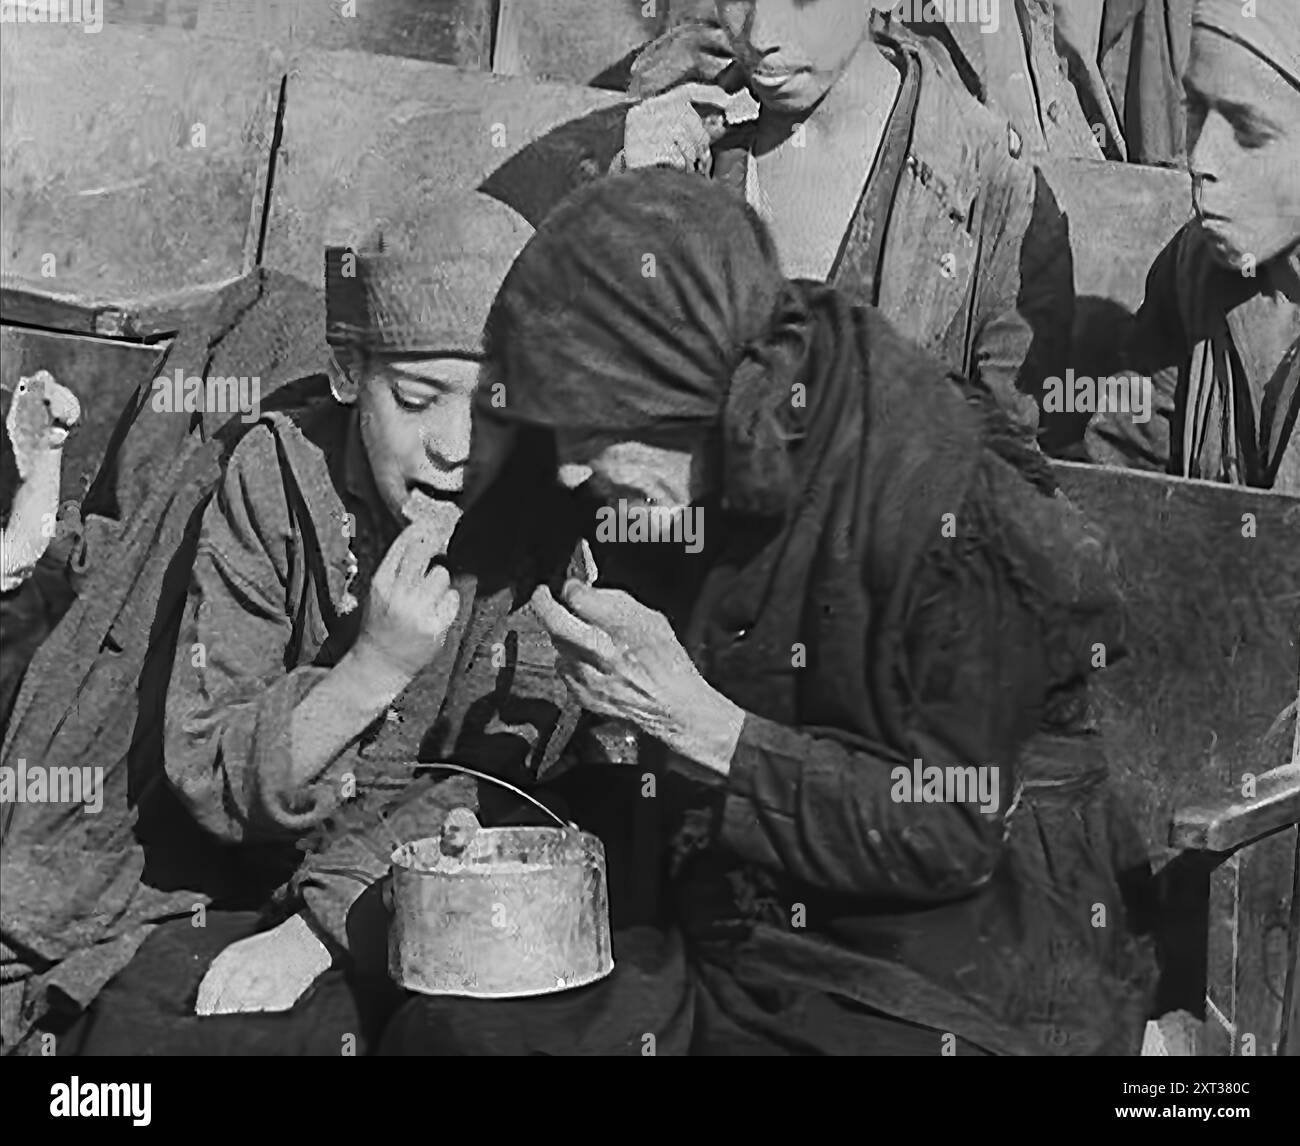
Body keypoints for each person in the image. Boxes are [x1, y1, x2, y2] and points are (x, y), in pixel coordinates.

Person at [378, 169, 1158, 1057]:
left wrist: (701, 725)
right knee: (451, 1034)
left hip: (960, 947)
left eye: (591, 434)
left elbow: (950, 829)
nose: (567, 469)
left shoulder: (935, 494)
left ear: (683, 395)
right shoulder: (685, 417)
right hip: (738, 905)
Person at [72, 191, 592, 1055]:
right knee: (142, 1041)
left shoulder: (534, 518)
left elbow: (509, 774)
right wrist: (371, 671)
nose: (457, 446)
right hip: (236, 873)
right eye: (419, 398)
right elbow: (204, 771)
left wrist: (320, 928)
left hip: (416, 885)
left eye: (495, 409)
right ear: (353, 376)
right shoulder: (275, 479)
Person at [611, 0, 1073, 439]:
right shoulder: (680, 147)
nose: (760, 34)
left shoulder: (997, 196)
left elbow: (1014, 481)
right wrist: (637, 210)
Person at [1086, 0, 1300, 494]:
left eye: (1246, 128)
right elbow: (1120, 479)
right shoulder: (1190, 271)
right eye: (1196, 109)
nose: (1199, 158)